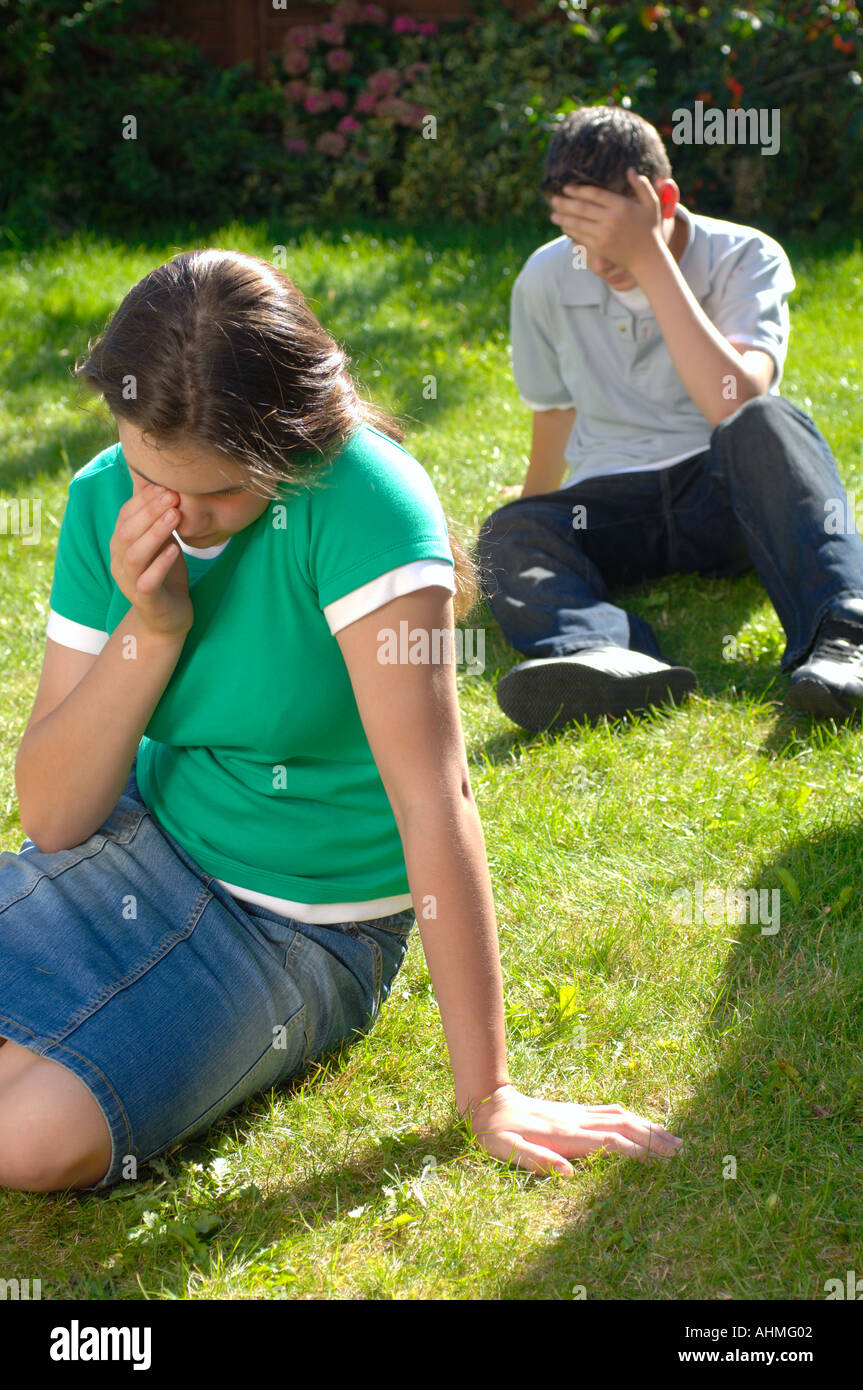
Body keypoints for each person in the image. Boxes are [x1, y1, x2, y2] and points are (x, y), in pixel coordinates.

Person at [0, 248, 681, 1192]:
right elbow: (55, 818)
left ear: (294, 440)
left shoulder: (364, 502)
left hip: (306, 925)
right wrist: (147, 633)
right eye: (157, 478)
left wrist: (488, 1093)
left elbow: (432, 797)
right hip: (135, 847)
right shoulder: (103, 498)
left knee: (28, 1140)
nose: (184, 521)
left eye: (222, 492)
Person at [478, 106, 863, 731]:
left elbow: (735, 402)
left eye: (610, 237)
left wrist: (649, 259)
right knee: (507, 532)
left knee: (768, 421)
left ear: (664, 199)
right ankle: (607, 658)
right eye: (581, 239)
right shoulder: (544, 278)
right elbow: (554, 417)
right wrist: (533, 511)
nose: (598, 261)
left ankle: (846, 634)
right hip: (616, 501)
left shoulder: (744, 254)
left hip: (726, 493)